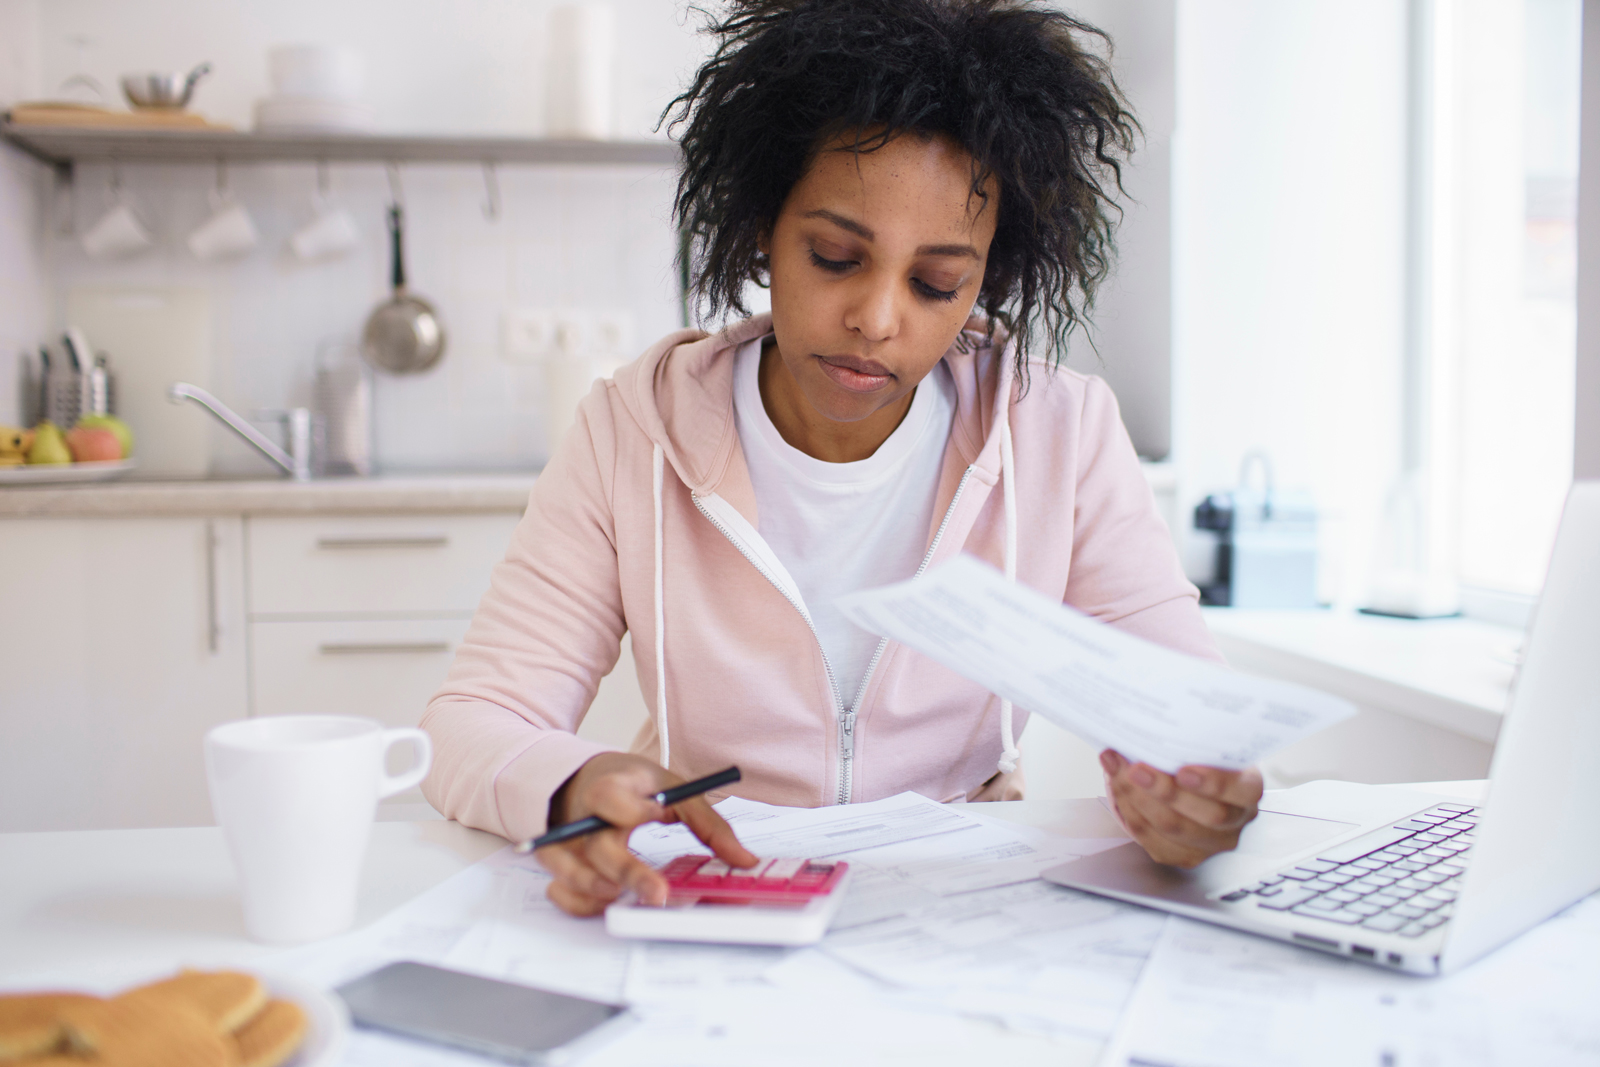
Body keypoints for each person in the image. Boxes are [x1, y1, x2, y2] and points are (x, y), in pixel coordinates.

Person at [421, 0, 1263, 918]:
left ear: (989, 275)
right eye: (833, 256)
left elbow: (1197, 720)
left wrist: (1198, 799)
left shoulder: (1061, 433)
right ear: (762, 227)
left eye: (938, 282)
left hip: (959, 908)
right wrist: (574, 781)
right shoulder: (634, 431)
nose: (879, 319)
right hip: (717, 888)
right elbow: (472, 723)